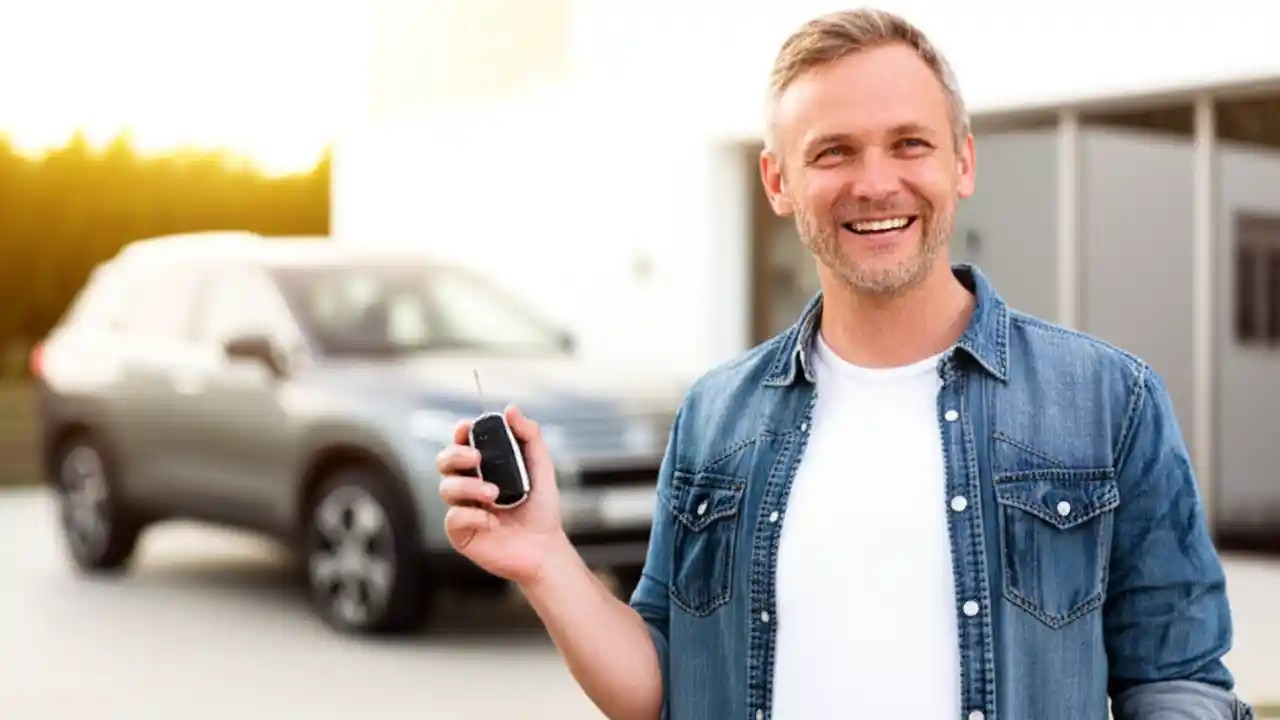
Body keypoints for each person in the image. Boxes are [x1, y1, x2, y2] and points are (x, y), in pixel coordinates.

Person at [436, 8, 1253, 719]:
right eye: (832, 153)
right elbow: (656, 685)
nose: (875, 182)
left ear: (961, 163)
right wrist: (545, 560)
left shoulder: (1111, 402)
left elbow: (1177, 679)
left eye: (909, 144)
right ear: (778, 180)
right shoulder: (717, 414)